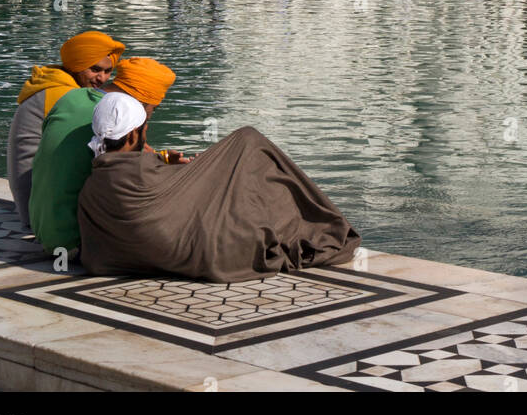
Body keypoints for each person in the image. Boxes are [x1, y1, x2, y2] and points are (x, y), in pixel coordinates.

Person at [78, 94, 359, 282]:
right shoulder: (140, 172)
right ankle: (318, 221)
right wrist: (206, 169)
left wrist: (182, 166)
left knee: (241, 178)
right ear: (132, 134)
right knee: (248, 142)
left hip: (142, 254)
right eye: (145, 126)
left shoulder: (94, 185)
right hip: (205, 253)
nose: (146, 130)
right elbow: (162, 191)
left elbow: (157, 185)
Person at [29, 56, 176, 255]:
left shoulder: (71, 98)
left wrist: (161, 158)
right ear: (140, 101)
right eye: (153, 108)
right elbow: (129, 176)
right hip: (74, 241)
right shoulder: (114, 120)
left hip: (43, 228)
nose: (150, 115)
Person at [6, 29, 125, 228]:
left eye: (107, 71)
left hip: (33, 203)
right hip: (40, 210)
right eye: (95, 69)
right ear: (78, 65)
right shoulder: (63, 94)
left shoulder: (55, 82)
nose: (102, 78)